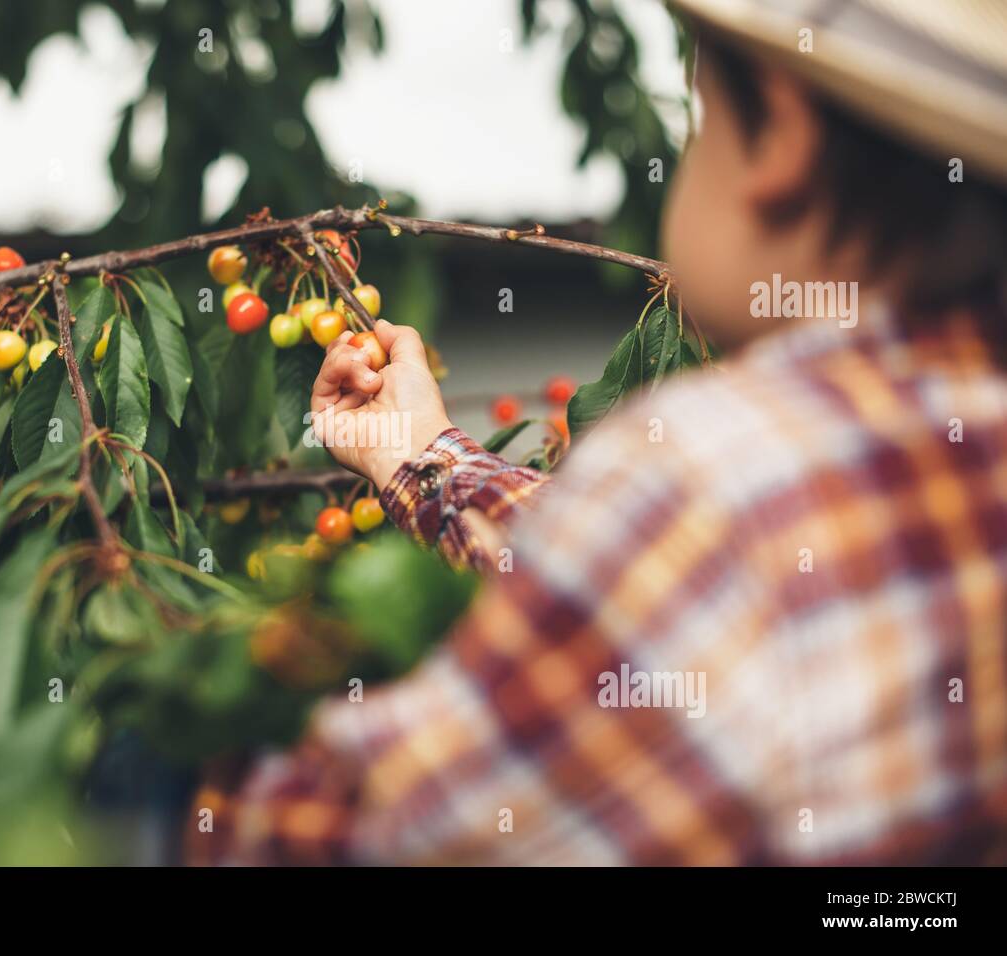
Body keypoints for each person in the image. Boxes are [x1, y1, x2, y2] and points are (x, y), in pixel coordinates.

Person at [188, 0, 1007, 865]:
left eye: (701, 118)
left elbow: (345, 840)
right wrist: (419, 453)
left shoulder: (713, 482)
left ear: (782, 139)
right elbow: (659, 602)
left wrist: (244, 701)